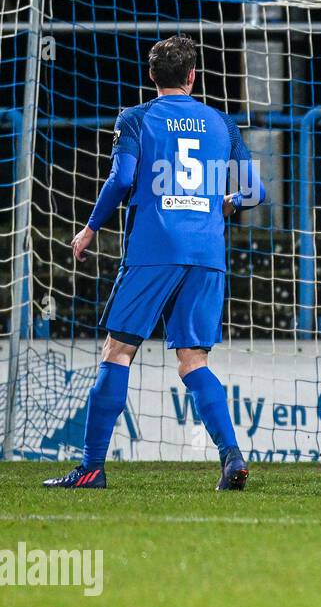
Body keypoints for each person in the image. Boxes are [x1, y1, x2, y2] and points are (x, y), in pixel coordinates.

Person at [43, 35, 265, 489]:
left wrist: (89, 227)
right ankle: (232, 458)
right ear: (192, 76)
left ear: (151, 76)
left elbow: (123, 177)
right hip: (206, 252)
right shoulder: (223, 123)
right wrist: (224, 202)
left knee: (118, 351)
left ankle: (91, 468)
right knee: (193, 358)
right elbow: (254, 194)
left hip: (153, 249)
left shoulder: (137, 118)